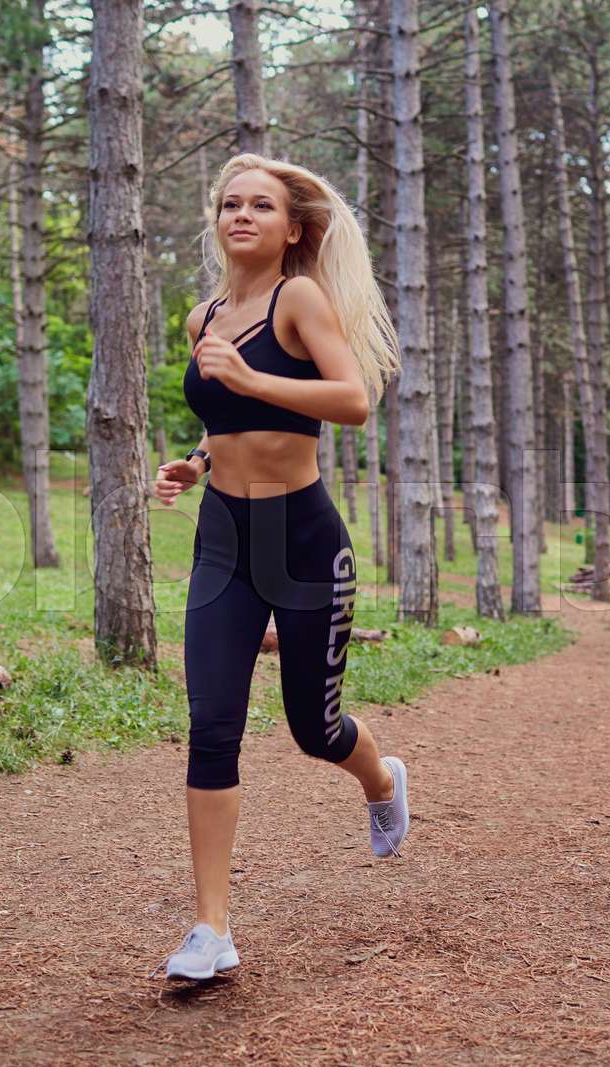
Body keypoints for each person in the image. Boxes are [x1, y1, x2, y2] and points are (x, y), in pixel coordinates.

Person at [149, 154, 408, 982]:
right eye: (229, 204)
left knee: (312, 728)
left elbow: (353, 400)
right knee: (212, 726)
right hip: (225, 536)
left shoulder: (300, 300)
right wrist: (193, 461)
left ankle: (379, 773)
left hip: (301, 539)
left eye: (261, 205)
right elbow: (223, 416)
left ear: (292, 226)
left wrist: (255, 375)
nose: (242, 215)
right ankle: (209, 929)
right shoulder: (204, 317)